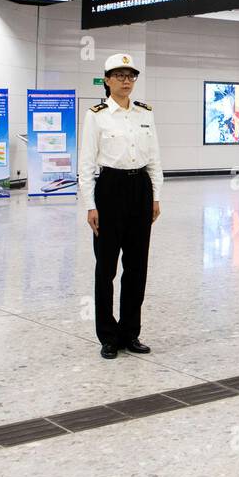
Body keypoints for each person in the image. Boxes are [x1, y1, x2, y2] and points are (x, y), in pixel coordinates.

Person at [79, 53, 162, 359]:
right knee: (106, 268)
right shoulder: (96, 115)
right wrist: (90, 204)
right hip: (110, 190)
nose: (126, 81)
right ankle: (108, 335)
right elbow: (86, 164)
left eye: (131, 76)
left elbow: (154, 158)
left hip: (140, 188)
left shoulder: (145, 113)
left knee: (137, 267)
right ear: (107, 80)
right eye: (119, 75)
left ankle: (130, 332)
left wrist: (155, 196)